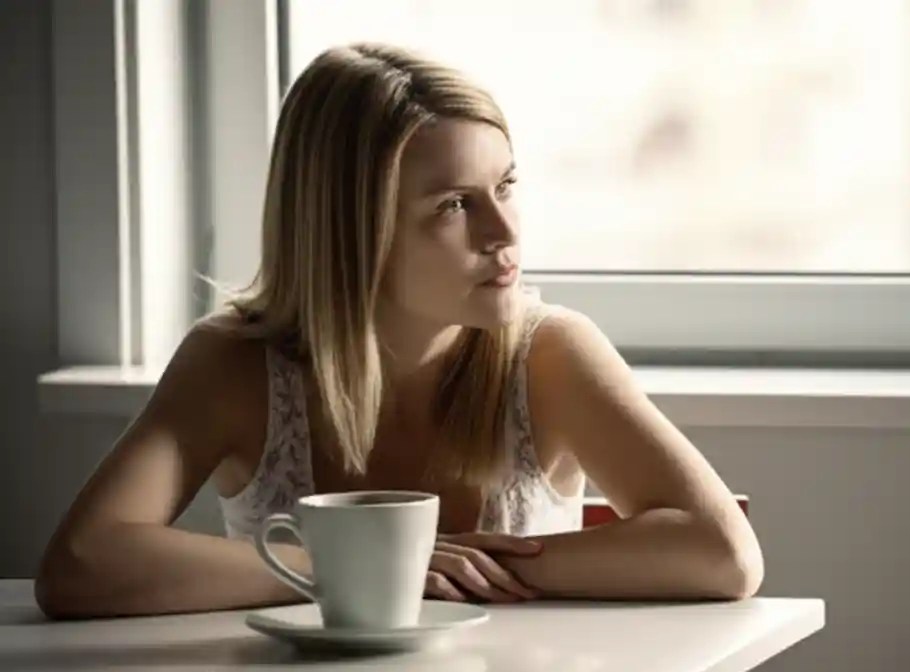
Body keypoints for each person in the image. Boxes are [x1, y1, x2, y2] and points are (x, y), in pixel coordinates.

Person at [34, 43, 763, 619]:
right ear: (352, 232)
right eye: (453, 205)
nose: (504, 231)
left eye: (506, 185)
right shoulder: (234, 363)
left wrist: (437, 565)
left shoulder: (551, 353)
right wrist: (371, 567)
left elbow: (725, 556)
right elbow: (81, 564)